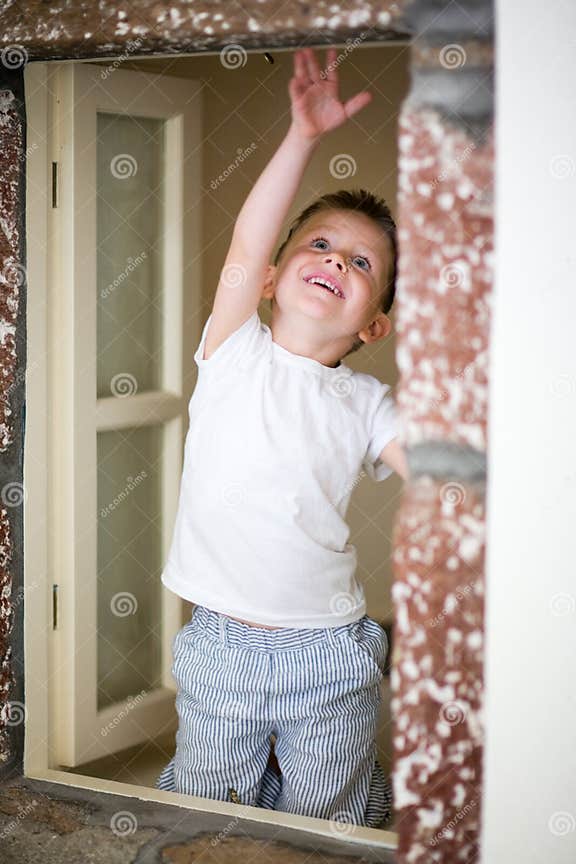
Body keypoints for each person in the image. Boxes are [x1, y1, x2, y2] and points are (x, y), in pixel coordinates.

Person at [155, 46, 408, 829]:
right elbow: (245, 241)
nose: (335, 259)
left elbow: (439, 470)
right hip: (220, 644)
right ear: (270, 278)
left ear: (374, 322)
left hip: (331, 652)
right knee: (206, 814)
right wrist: (301, 138)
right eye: (319, 245)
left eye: (362, 261)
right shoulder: (235, 351)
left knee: (322, 825)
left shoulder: (369, 402)